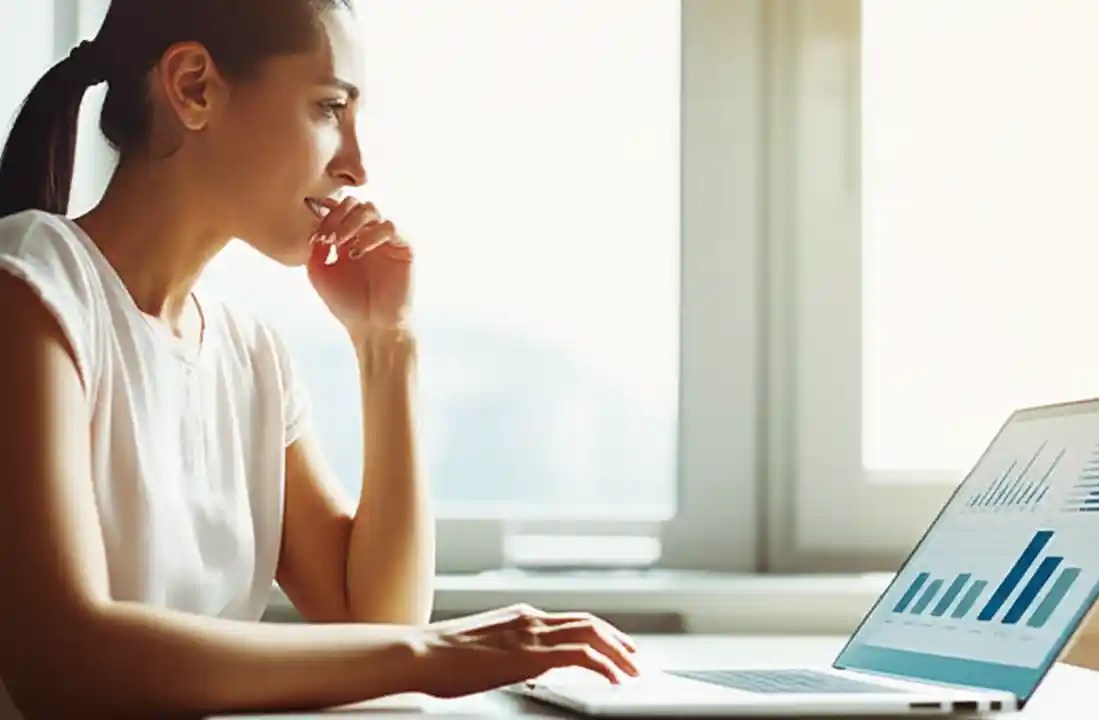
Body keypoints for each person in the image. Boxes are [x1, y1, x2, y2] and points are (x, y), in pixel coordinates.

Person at [0, 1, 640, 717]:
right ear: (193, 87)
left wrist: (385, 342)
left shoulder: (251, 358)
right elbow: (57, 659)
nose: (357, 167)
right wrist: (441, 651)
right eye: (330, 107)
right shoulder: (31, 282)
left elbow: (378, 623)